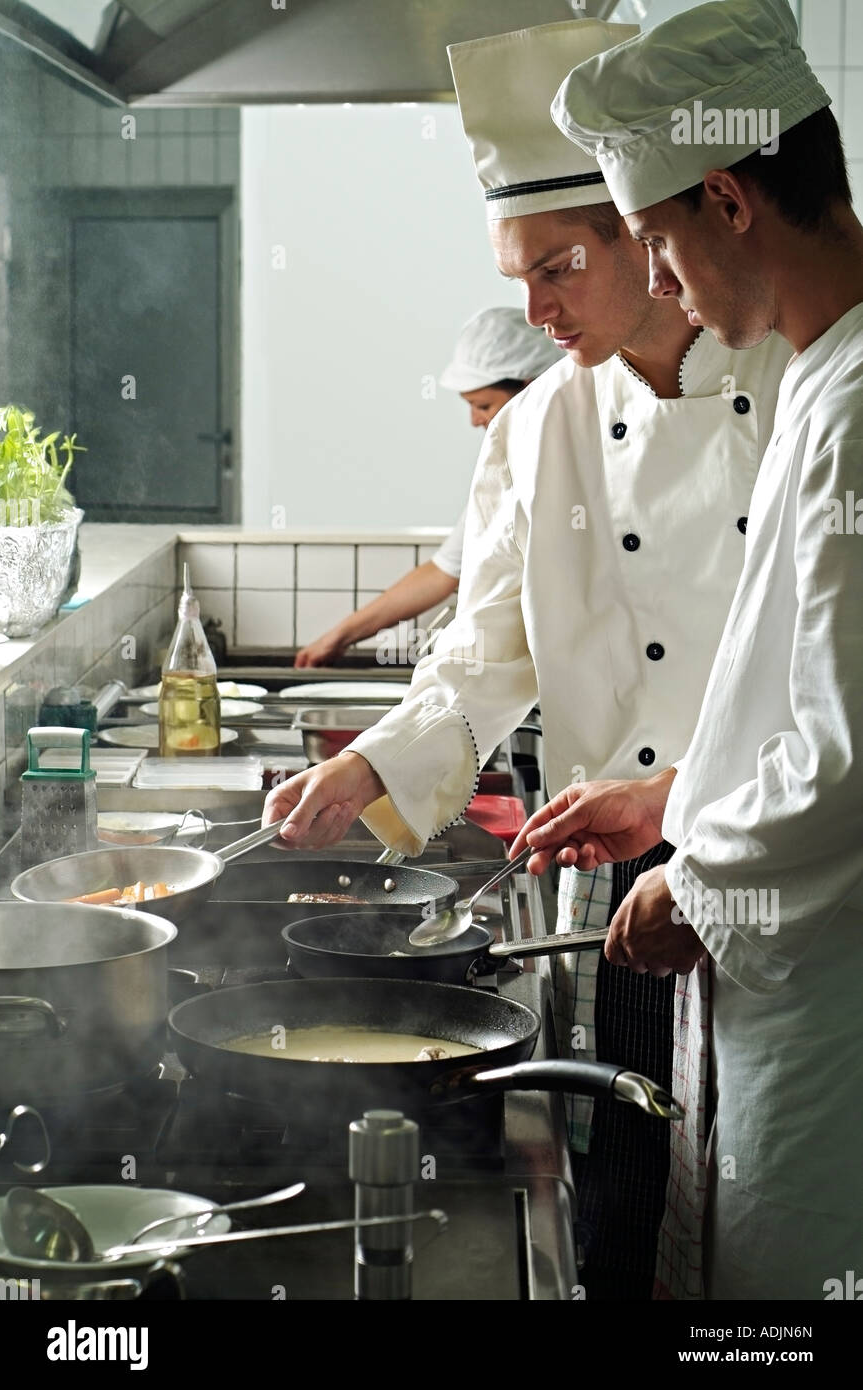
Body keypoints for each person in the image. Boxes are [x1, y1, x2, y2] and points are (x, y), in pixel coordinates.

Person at [262, 18, 791, 1299]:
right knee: (626, 1187)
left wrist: (710, 818)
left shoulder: (796, 379)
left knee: (767, 1209)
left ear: (645, 238)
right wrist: (371, 764)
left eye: (558, 268)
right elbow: (481, 649)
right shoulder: (542, 427)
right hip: (620, 866)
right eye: (517, 281)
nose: (535, 313)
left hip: (785, 851)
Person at [514, 0, 863, 1300]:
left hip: (828, 1006)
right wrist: (671, 802)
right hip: (792, 980)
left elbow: (846, 750)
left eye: (651, 241)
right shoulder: (823, 378)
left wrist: (698, 876)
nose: (650, 284)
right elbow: (809, 693)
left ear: (726, 198)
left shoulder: (851, 410)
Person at [294, 308, 559, 667]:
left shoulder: (583, 455)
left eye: (483, 405)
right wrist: (339, 637)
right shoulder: (508, 471)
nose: (474, 420)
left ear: (530, 391)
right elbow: (443, 571)